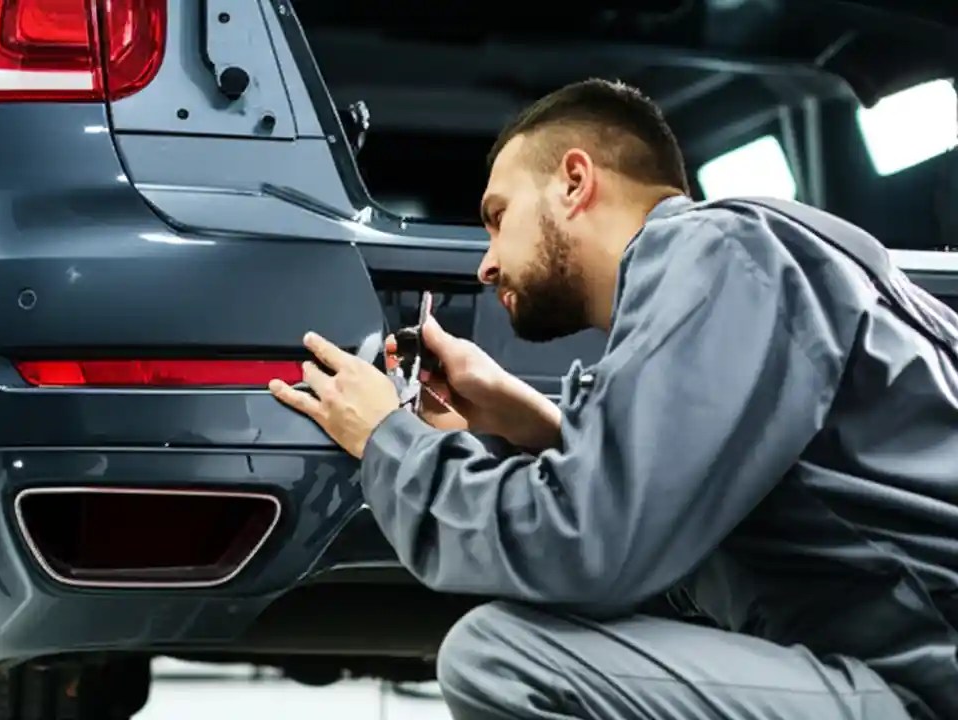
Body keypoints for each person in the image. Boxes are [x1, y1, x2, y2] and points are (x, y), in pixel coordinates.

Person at [267, 79, 958, 719]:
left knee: (502, 660)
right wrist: (533, 422)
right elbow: (677, 511)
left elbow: (583, 548)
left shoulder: (716, 252)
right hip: (905, 671)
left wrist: (389, 438)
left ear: (574, 181)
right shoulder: (749, 264)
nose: (485, 263)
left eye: (497, 217)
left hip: (923, 684)